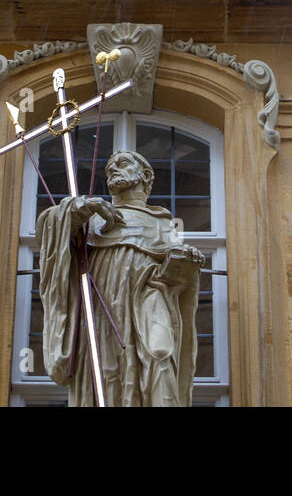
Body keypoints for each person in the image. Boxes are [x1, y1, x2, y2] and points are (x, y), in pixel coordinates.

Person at [35, 149, 205, 406]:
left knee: (161, 352)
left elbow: (178, 273)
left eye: (122, 164)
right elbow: (49, 230)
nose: (112, 169)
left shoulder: (163, 222)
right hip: (101, 300)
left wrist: (185, 259)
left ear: (145, 175)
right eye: (109, 168)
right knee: (105, 371)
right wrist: (79, 208)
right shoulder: (92, 218)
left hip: (149, 293)